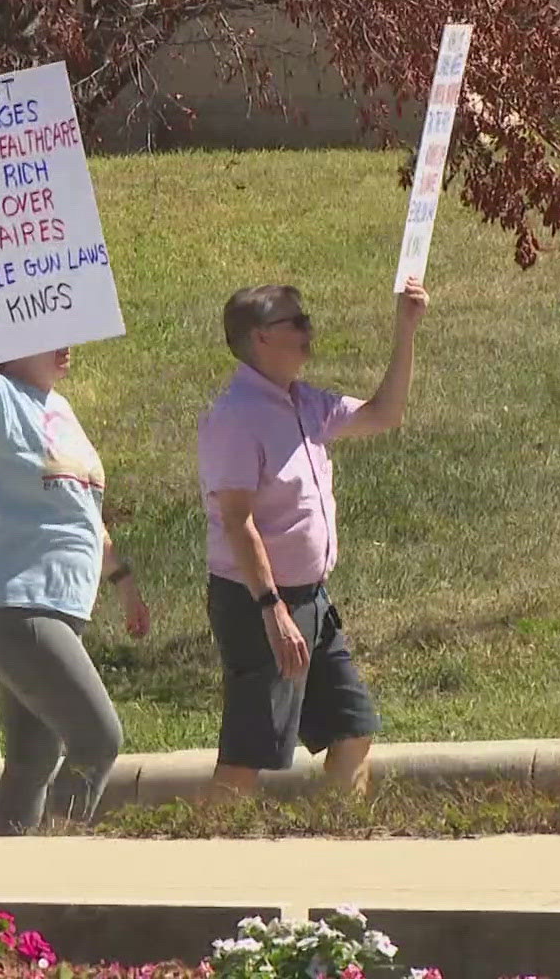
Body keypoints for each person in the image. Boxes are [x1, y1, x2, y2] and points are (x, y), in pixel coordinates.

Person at [0, 316, 150, 835]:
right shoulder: (1, 395)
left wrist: (122, 581)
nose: (64, 344)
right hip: (15, 604)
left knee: (33, 759)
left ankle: (7, 875)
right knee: (97, 739)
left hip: (56, 605)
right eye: (45, 337)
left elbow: (82, 512)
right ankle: (58, 863)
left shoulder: (59, 408)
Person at [198, 277, 428, 798]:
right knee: (249, 754)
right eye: (296, 321)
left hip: (312, 603)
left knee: (353, 728)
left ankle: (338, 834)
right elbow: (237, 521)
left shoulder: (305, 403)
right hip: (259, 604)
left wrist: (406, 329)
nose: (309, 329)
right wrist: (272, 610)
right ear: (261, 337)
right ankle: (206, 841)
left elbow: (383, 414)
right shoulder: (236, 417)